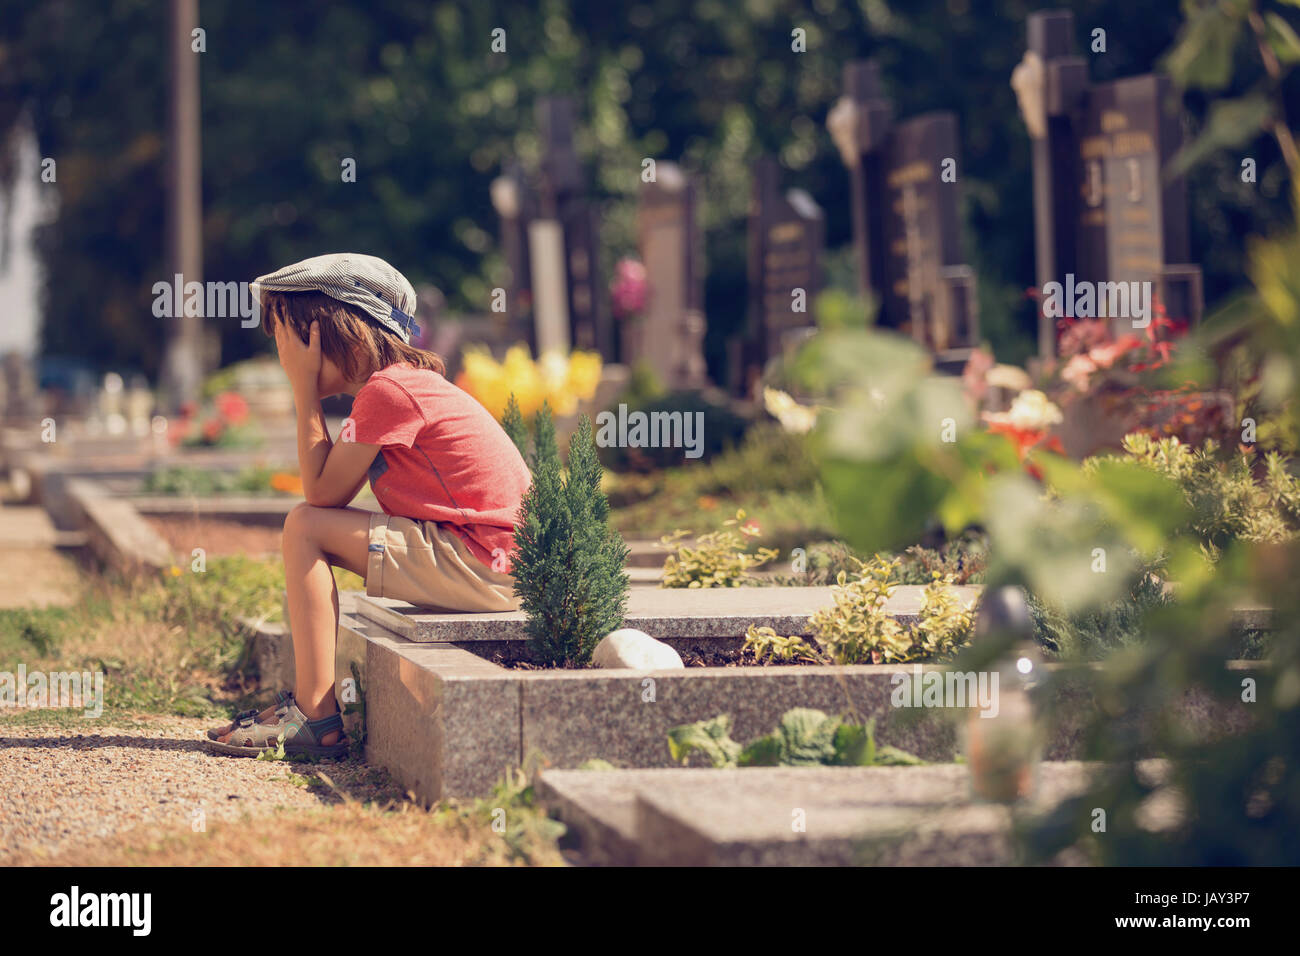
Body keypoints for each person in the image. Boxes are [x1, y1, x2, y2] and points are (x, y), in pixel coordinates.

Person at [207, 254, 530, 758]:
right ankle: (308, 706)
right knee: (309, 524)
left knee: (304, 527)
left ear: (337, 332)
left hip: (486, 563)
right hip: (496, 561)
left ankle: (315, 716)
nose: (287, 357)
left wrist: (302, 390)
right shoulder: (399, 386)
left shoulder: (390, 390)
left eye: (293, 341)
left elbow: (320, 495)